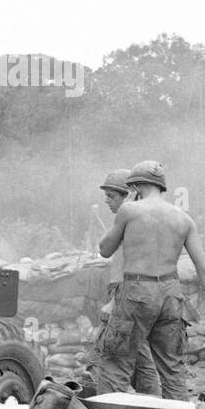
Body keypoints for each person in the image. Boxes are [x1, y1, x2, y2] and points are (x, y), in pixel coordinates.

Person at [97, 161, 205, 400]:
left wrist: (126, 207)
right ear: (161, 186)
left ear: (135, 186)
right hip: (171, 294)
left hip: (137, 291)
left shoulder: (129, 211)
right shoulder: (184, 219)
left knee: (116, 362)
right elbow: (204, 268)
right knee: (172, 370)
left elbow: (105, 249)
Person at [88, 169, 161, 395]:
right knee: (138, 350)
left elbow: (126, 261)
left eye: (112, 196)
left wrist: (115, 302)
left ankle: (135, 400)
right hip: (128, 295)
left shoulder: (133, 222)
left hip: (126, 295)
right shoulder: (132, 221)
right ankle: (153, 399)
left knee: (115, 354)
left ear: (128, 195)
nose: (107, 201)